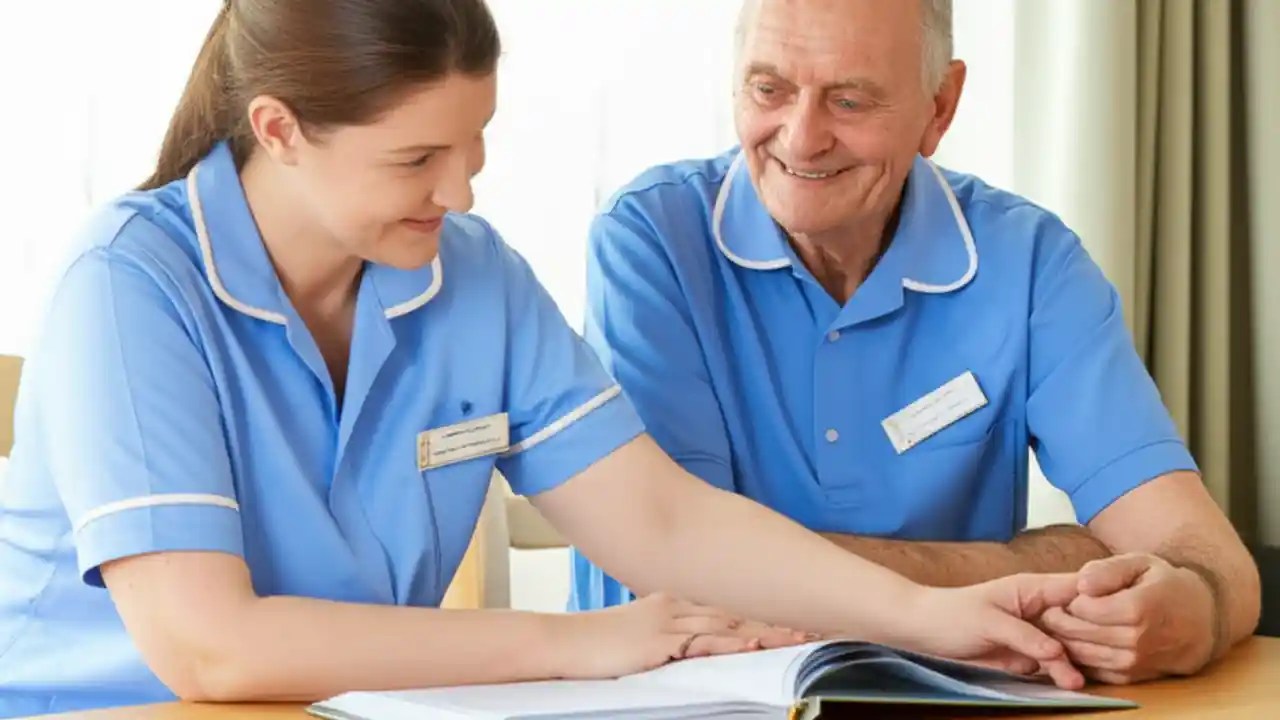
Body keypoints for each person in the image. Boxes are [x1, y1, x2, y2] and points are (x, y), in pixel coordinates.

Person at [0, 1, 1092, 716]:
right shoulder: (129, 284)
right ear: (279, 130)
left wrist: (926, 619)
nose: (460, 191)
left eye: (474, 146)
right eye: (417, 158)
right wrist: (587, 641)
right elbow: (213, 652)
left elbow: (661, 522)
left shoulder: (463, 271)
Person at [568, 0, 1261, 687]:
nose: (802, 138)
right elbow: (683, 581)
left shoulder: (1029, 260)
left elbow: (1207, 557)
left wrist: (1190, 612)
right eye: (769, 89)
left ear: (941, 107)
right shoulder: (652, 240)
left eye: (849, 101)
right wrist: (1042, 563)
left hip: (940, 699)